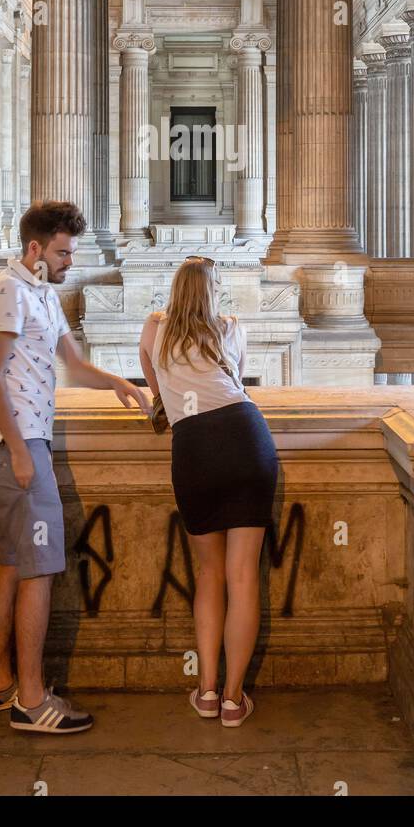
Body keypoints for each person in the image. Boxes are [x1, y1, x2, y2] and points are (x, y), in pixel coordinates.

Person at [0, 199, 148, 733]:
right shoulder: (8, 292)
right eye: (63, 252)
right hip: (17, 446)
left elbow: (72, 366)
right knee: (42, 567)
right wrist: (22, 451)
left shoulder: (43, 293)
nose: (70, 260)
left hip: (24, 443)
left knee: (12, 562)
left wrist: (121, 383)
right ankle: (32, 701)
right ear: (36, 248)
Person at [138, 256, 278, 728]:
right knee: (244, 577)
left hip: (195, 447)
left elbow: (157, 389)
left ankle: (206, 691)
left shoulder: (154, 329)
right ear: (214, 292)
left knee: (210, 574)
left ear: (176, 290)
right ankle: (235, 701)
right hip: (246, 438)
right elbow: (235, 379)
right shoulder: (231, 328)